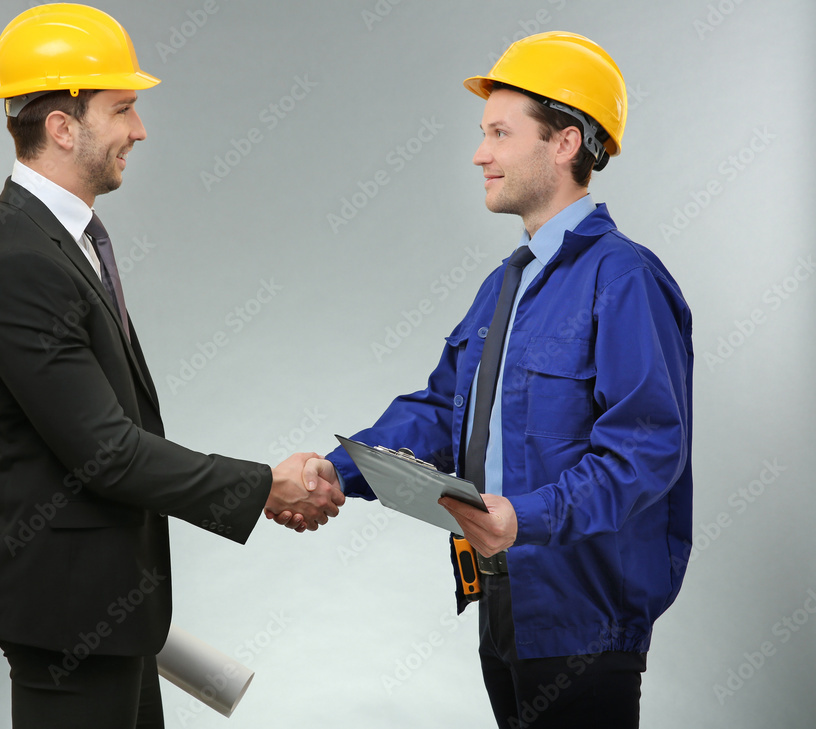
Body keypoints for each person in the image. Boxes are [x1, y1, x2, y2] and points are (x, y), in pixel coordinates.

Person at [281, 31, 693, 728]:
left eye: (500, 133)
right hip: (504, 617)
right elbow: (445, 411)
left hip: (583, 629)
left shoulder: (624, 279)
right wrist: (336, 470)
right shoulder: (508, 283)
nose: (480, 153)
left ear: (564, 143)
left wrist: (522, 518)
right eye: (483, 133)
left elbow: (645, 452)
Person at [0, 5, 344, 728]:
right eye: (123, 108)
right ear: (63, 126)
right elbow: (106, 452)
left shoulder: (56, 239)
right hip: (65, 621)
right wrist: (264, 485)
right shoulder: (19, 261)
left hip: (105, 610)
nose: (140, 129)